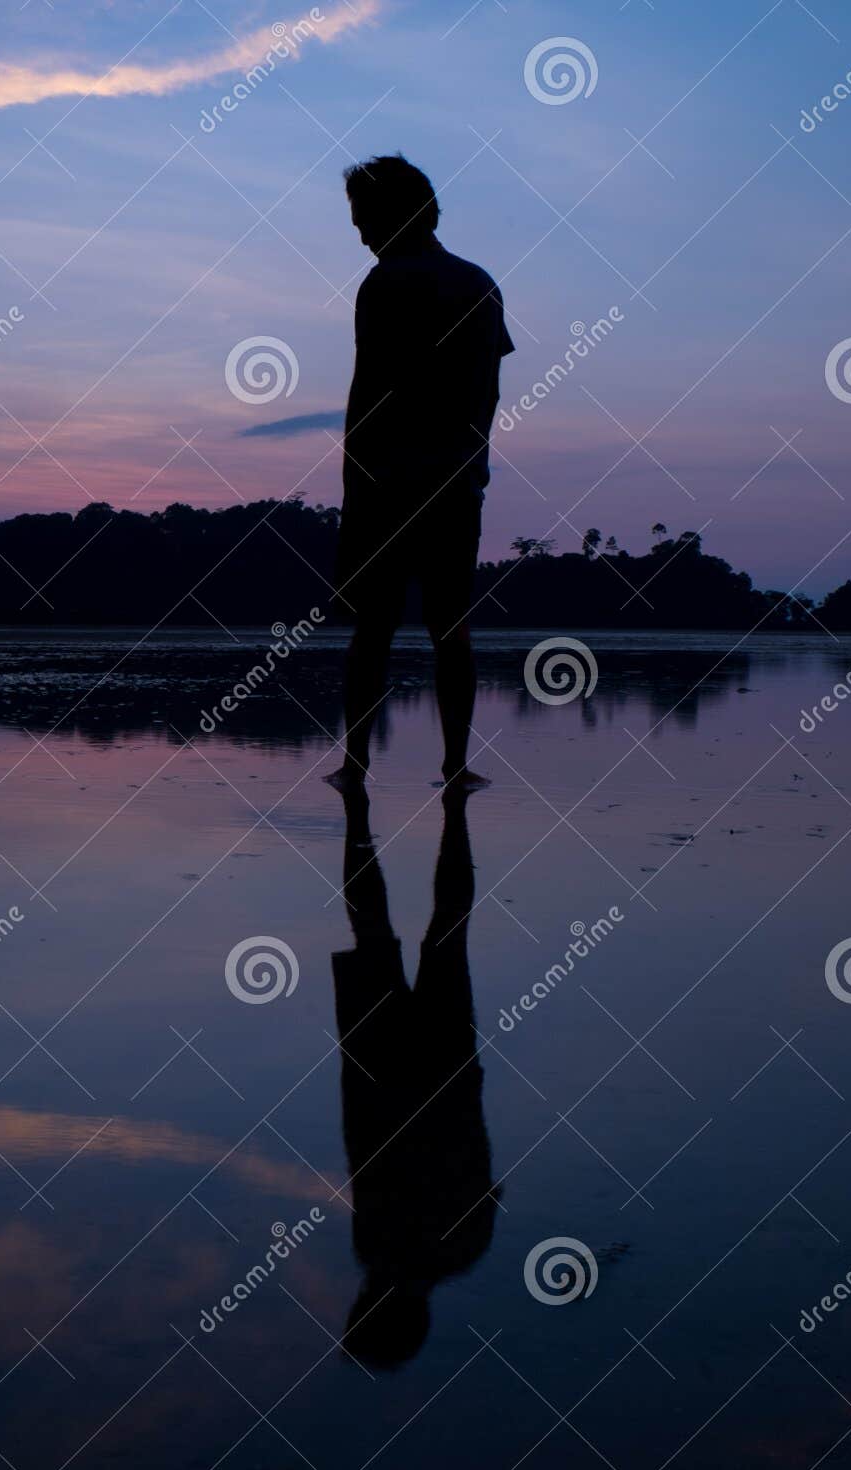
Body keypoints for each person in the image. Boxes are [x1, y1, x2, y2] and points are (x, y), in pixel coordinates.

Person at [325, 154, 514, 790]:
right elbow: (489, 386)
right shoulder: (480, 284)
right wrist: (471, 459)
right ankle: (455, 766)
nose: (359, 233)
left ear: (395, 214)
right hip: (457, 479)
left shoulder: (385, 285)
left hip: (386, 480)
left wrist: (354, 479)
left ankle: (355, 765)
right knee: (450, 625)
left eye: (363, 218)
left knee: (372, 626)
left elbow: (369, 392)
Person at [332, 783, 499, 1368]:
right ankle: (364, 811)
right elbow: (367, 1155)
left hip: (448, 1075)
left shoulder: (467, 1250)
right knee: (377, 931)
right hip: (382, 1077)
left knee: (447, 932)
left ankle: (451, 812)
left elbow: (484, 1174)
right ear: (367, 1307)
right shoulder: (375, 1249)